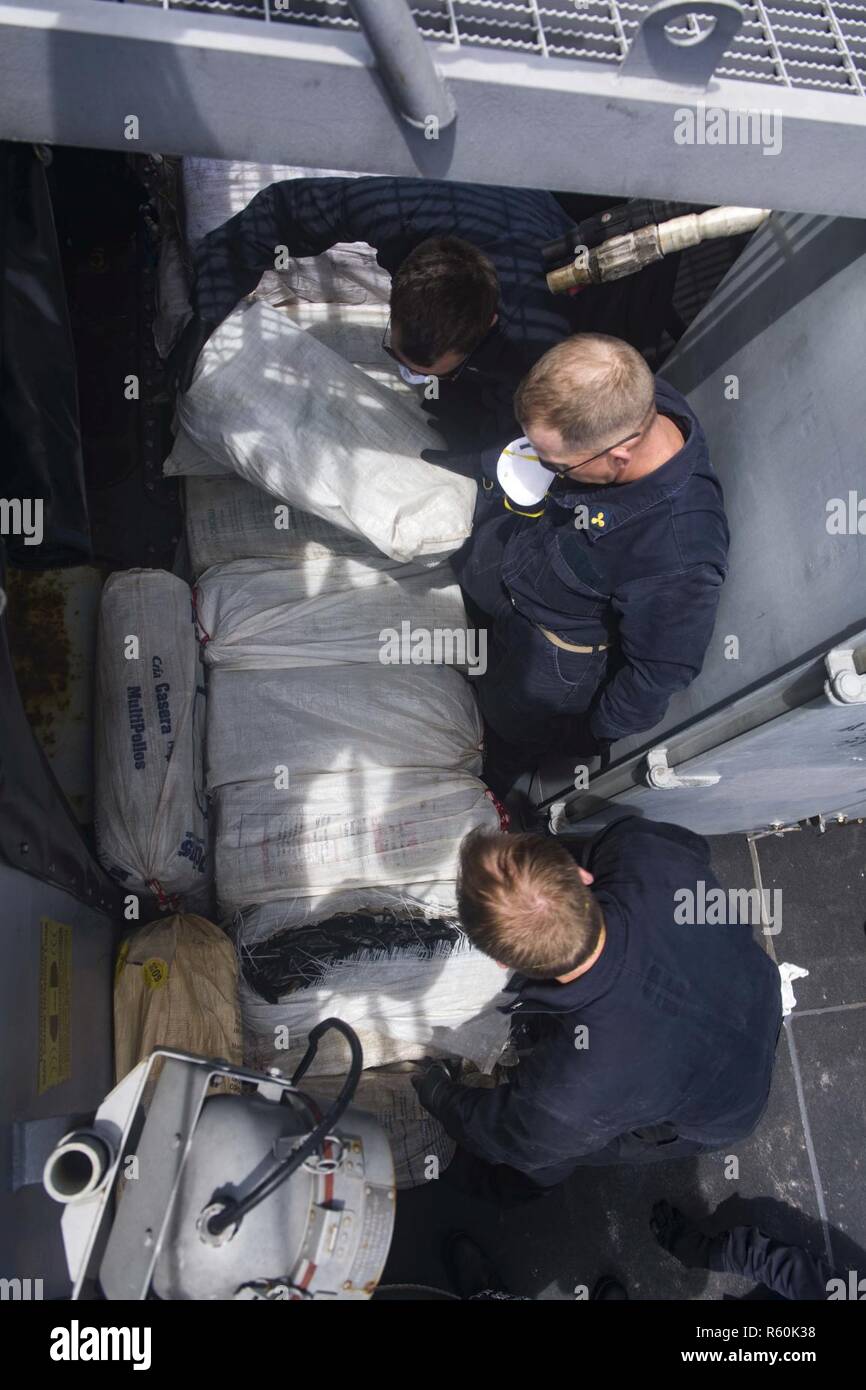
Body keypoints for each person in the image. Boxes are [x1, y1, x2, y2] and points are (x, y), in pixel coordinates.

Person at [167, 175, 678, 450]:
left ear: (487, 329)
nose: (406, 372)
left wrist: (478, 449)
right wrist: (210, 309)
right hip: (485, 196)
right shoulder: (397, 211)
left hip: (555, 233)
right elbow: (280, 210)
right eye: (399, 354)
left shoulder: (534, 335)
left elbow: (521, 415)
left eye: (427, 370)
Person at [413, 816, 781, 1191]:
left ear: (502, 963)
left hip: (723, 1113)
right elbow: (693, 848)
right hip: (759, 997)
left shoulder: (568, 1096)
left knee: (560, 1152)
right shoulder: (640, 851)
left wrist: (440, 1095)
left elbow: (512, 1137)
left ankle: (521, 1191)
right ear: (581, 873)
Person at [451, 333, 729, 792]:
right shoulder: (621, 395)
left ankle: (491, 783)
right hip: (522, 561)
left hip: (550, 653)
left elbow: (658, 673)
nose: (542, 465)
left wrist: (588, 735)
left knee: (503, 724)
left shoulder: (678, 553)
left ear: (618, 456)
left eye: (555, 464)